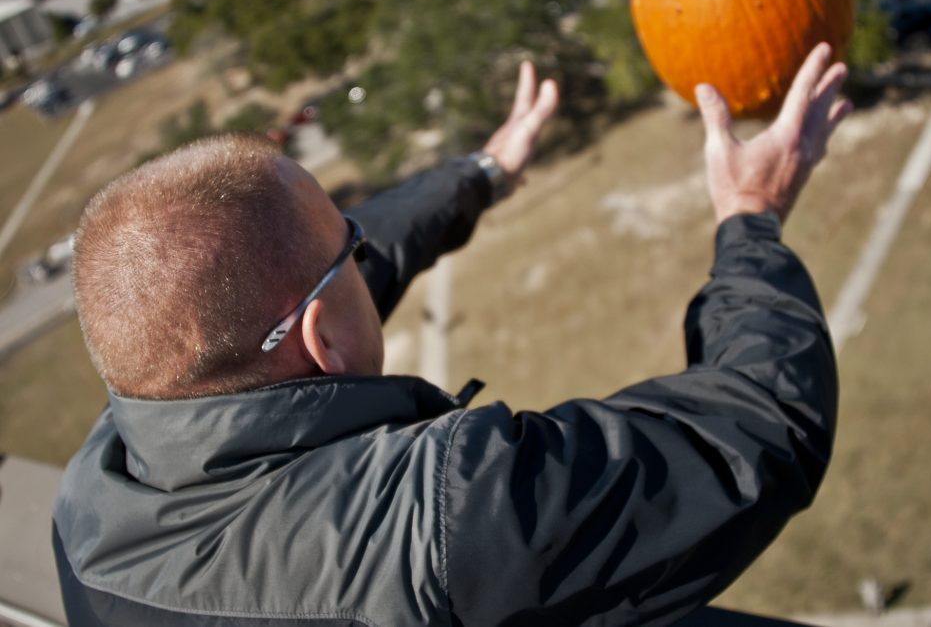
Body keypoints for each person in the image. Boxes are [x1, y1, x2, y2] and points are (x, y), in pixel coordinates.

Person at [53, 43, 850, 627]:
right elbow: (757, 432)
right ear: (322, 333)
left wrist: (482, 173)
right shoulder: (439, 523)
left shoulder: (93, 498)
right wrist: (751, 219)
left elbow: (312, 281)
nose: (369, 256)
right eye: (353, 250)